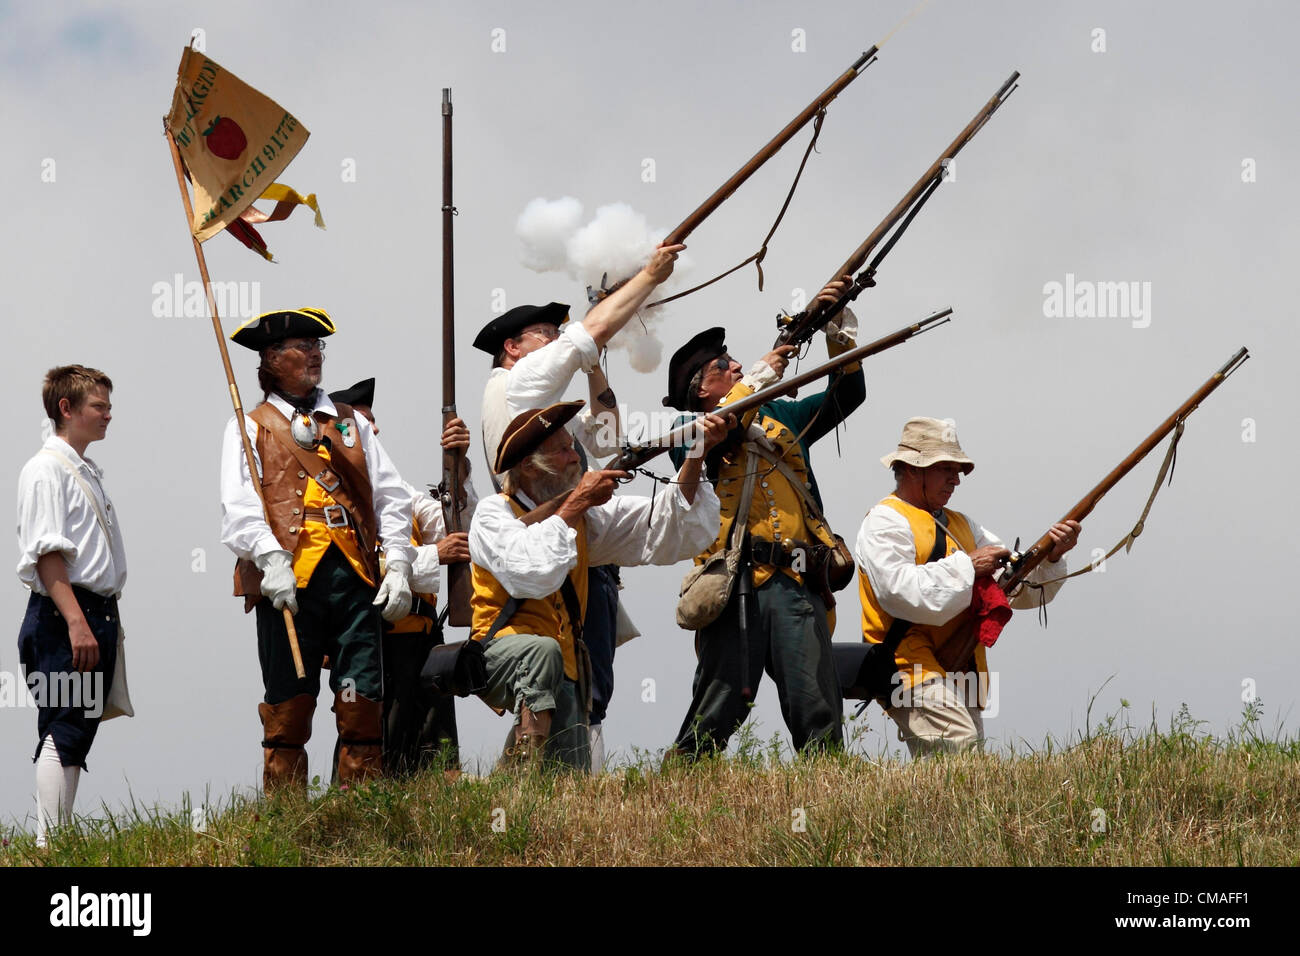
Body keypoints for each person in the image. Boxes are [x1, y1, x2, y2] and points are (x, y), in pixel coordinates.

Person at [474, 241, 685, 770]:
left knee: (584, 682)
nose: (556, 341)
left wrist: (595, 365)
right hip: (552, 544)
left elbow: (609, 437)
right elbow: (586, 337)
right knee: (563, 682)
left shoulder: (547, 408)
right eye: (543, 334)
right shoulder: (516, 384)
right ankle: (542, 785)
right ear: (513, 348)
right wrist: (650, 278)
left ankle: (558, 786)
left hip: (579, 546)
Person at [468, 400, 726, 771]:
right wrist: (578, 501)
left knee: (567, 784)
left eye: (572, 445)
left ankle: (511, 795)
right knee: (542, 652)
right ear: (528, 465)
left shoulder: (585, 517)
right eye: (562, 450)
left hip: (567, 666)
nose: (575, 456)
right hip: (500, 654)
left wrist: (696, 455)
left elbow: (666, 525)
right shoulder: (495, 513)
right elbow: (531, 573)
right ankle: (519, 780)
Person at [664, 279, 862, 759]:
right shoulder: (683, 432)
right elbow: (718, 438)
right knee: (717, 706)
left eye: (733, 361)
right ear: (703, 389)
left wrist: (834, 323)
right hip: (734, 584)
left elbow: (846, 393)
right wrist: (758, 374)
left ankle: (830, 782)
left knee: (816, 702)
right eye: (722, 366)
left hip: (796, 580)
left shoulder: (781, 415)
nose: (733, 366)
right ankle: (683, 778)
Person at [220, 309, 415, 792]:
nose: (313, 354)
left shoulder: (351, 423)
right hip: (289, 579)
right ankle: (288, 821)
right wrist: (269, 560)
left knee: (362, 700)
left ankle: (361, 810)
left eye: (317, 346)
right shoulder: (249, 427)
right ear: (270, 358)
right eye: (301, 346)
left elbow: (391, 497)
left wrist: (399, 567)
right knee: (289, 705)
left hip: (354, 575)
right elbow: (239, 508)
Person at [856, 417, 1081, 756]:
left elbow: (1011, 588)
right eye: (946, 468)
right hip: (904, 663)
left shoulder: (963, 525)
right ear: (915, 469)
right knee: (959, 747)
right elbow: (899, 593)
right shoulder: (885, 521)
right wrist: (967, 565)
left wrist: (1050, 558)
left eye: (956, 469)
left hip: (960, 661)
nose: (956, 479)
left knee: (966, 762)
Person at [328, 378, 479, 774]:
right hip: (373, 642)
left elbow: (461, 531)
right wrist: (431, 557)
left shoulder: (397, 492)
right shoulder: (328, 497)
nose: (373, 430)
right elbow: (356, 564)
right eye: (361, 423)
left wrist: (458, 469)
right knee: (371, 750)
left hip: (422, 640)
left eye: (372, 422)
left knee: (435, 757)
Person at [16, 365, 128, 847]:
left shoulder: (83, 469)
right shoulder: (46, 469)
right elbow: (46, 554)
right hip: (66, 614)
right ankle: (48, 843)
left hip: (91, 612)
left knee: (76, 731)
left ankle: (56, 840)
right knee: (62, 724)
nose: (108, 415)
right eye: (98, 406)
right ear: (67, 409)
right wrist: (77, 623)